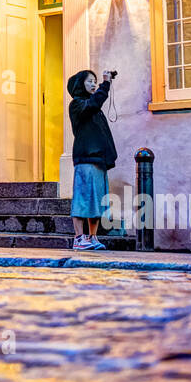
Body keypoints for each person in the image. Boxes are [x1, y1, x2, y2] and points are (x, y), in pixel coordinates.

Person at [68, 69, 117, 251]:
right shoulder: (77, 104)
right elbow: (94, 103)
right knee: (83, 199)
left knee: (97, 200)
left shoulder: (92, 106)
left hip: (98, 159)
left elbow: (95, 103)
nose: (93, 84)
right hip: (86, 159)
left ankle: (93, 237)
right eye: (90, 81)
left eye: (95, 81)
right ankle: (79, 238)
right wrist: (106, 84)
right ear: (80, 84)